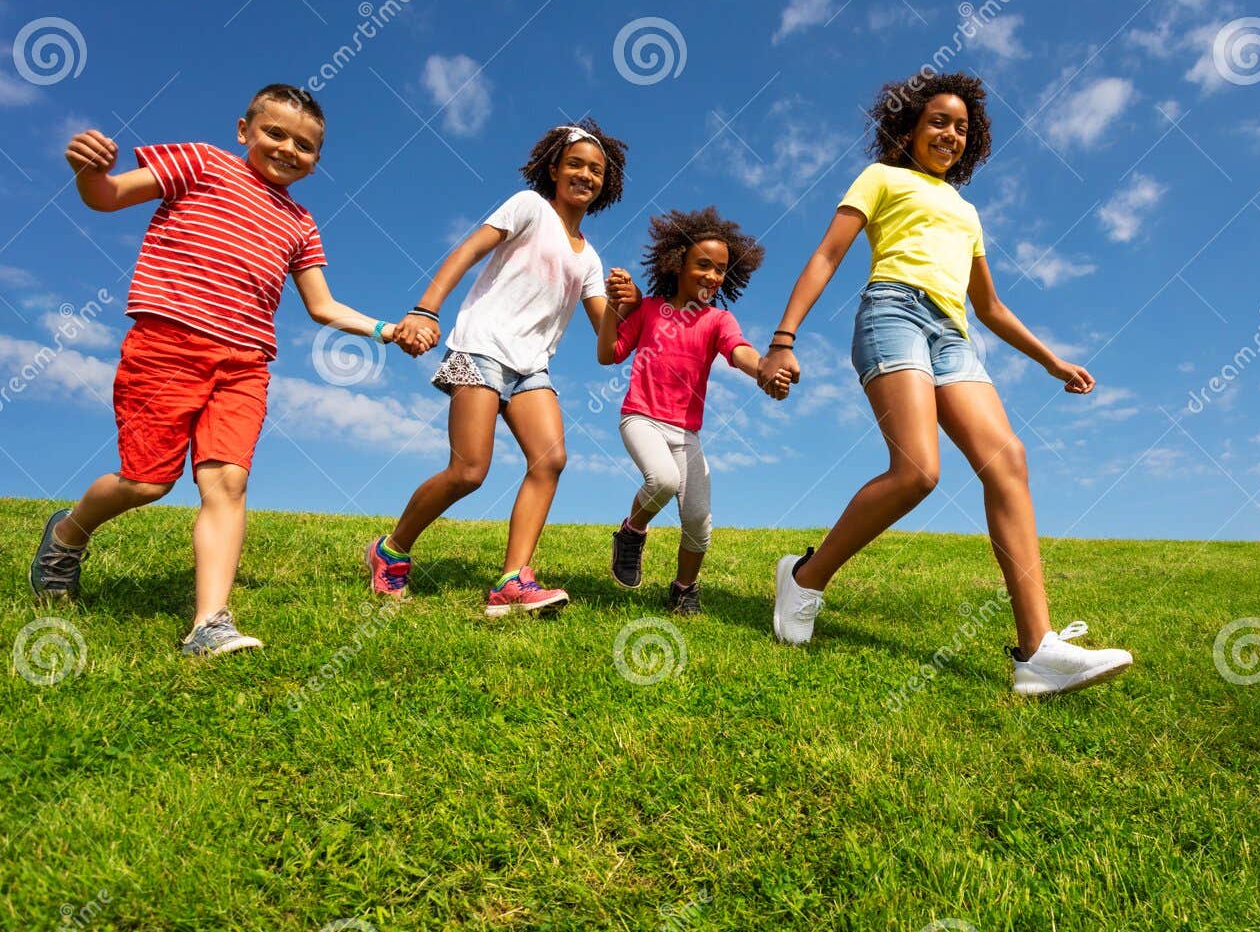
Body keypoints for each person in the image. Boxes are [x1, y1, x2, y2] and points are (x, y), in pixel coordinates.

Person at [757, 72, 1133, 697]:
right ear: (908, 128)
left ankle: (1037, 651)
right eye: (938, 121)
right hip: (893, 312)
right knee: (917, 472)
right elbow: (827, 255)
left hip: (953, 335)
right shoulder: (881, 178)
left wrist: (1051, 361)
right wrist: (783, 339)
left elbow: (990, 307)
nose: (950, 134)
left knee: (1007, 460)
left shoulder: (966, 211)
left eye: (961, 127)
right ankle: (805, 578)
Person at [29, 84, 417, 656]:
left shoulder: (301, 223)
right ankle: (68, 533)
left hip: (245, 365)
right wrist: (90, 173)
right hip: (167, 345)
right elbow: (107, 197)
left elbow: (322, 305)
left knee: (228, 482)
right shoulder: (200, 163)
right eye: (275, 133)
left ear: (317, 160)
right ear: (243, 130)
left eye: (305, 145)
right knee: (147, 482)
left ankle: (208, 623)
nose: (287, 149)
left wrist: (385, 329)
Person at [365, 119, 630, 617]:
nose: (585, 175)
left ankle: (512, 580)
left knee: (550, 460)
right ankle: (391, 550)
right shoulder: (529, 206)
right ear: (554, 169)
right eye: (575, 164)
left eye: (596, 170)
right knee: (469, 471)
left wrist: (621, 305)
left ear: (606, 183)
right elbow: (468, 251)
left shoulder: (590, 259)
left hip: (532, 367)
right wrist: (425, 309)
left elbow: (608, 345)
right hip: (482, 347)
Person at [598, 207, 789, 615]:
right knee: (663, 480)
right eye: (703, 265)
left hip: (686, 433)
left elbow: (739, 351)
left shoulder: (718, 319)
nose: (712, 276)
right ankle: (632, 532)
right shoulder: (649, 309)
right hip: (641, 417)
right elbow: (608, 354)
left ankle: (683, 590)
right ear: (677, 264)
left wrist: (763, 370)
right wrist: (614, 308)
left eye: (720, 269)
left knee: (699, 520)